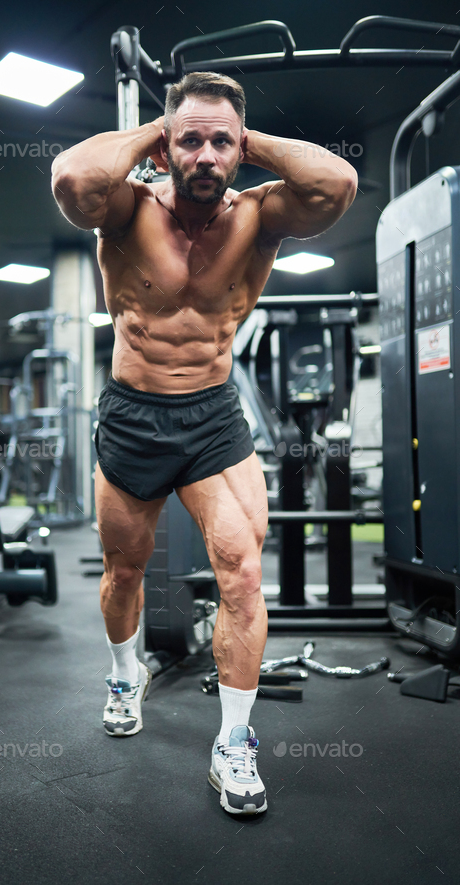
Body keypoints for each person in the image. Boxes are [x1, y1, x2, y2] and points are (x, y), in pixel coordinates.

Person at [51, 72, 357, 815]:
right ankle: (127, 674)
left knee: (243, 575)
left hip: (212, 418)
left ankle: (234, 741)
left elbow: (338, 181)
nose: (207, 154)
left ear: (240, 146)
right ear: (166, 143)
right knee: (124, 571)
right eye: (191, 138)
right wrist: (160, 136)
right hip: (132, 414)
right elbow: (71, 177)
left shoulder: (260, 215)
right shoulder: (128, 210)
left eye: (222, 140)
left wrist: (246, 144)